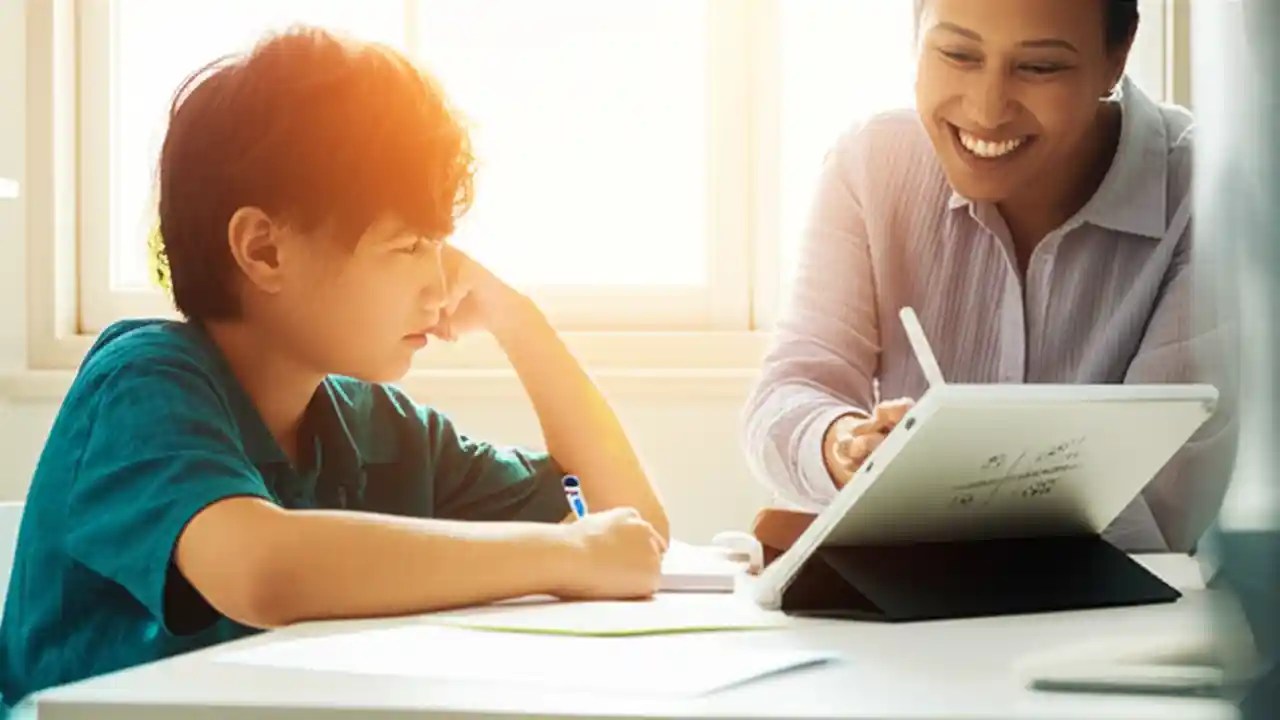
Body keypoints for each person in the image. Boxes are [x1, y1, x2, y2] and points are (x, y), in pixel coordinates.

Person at [0, 27, 669, 706]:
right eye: (409, 246)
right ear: (263, 250)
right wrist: (567, 557)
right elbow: (263, 570)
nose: (441, 288)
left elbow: (630, 529)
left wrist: (518, 320)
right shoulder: (141, 384)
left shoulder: (378, 426)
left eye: (441, 248)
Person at [743, 0, 1233, 554]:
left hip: (1112, 615)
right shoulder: (870, 164)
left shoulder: (1207, 193)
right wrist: (843, 444)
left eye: (1040, 67)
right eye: (957, 53)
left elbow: (1161, 489)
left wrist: (937, 489)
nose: (986, 109)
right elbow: (788, 395)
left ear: (1116, 59)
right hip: (907, 614)